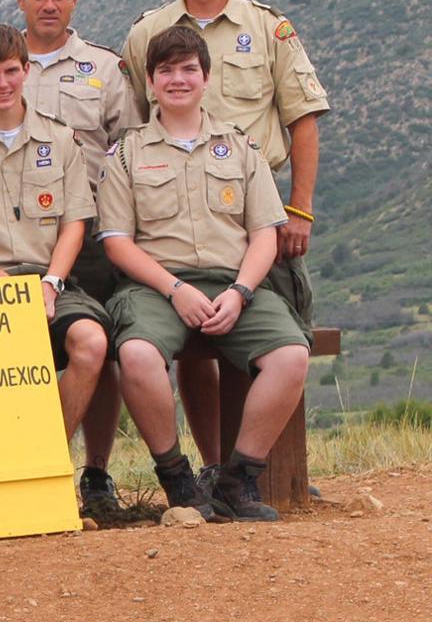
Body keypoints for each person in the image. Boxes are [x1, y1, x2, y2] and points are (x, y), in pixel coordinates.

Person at [121, 0, 329, 484]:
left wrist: (299, 209)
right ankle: (212, 465)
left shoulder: (267, 28)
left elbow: (303, 119)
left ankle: (269, 474)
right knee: (192, 346)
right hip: (173, 216)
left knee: (285, 333)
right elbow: (141, 122)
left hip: (256, 216)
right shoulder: (147, 33)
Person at [97, 26, 310, 522]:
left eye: (188, 69)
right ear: (149, 81)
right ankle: (177, 480)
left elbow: (264, 233)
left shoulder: (239, 148)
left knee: (291, 356)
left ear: (206, 78)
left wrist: (239, 292)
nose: (177, 80)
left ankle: (239, 479)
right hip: (156, 286)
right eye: (166, 70)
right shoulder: (127, 154)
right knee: (136, 354)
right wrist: (174, 289)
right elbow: (116, 241)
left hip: (235, 284)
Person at [0, 23, 113, 496]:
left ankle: (45, 460)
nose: (2, 83)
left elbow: (76, 222)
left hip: (48, 284)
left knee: (92, 343)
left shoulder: (60, 139)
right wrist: (5, 287)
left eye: (11, 70)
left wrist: (51, 284)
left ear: (27, 70)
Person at [13, 0, 140, 515]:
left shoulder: (103, 68)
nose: (48, 5)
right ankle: (21, 470)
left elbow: (129, 146)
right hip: (11, 236)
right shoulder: (0, 61)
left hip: (87, 231)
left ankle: (96, 472)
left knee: (102, 349)